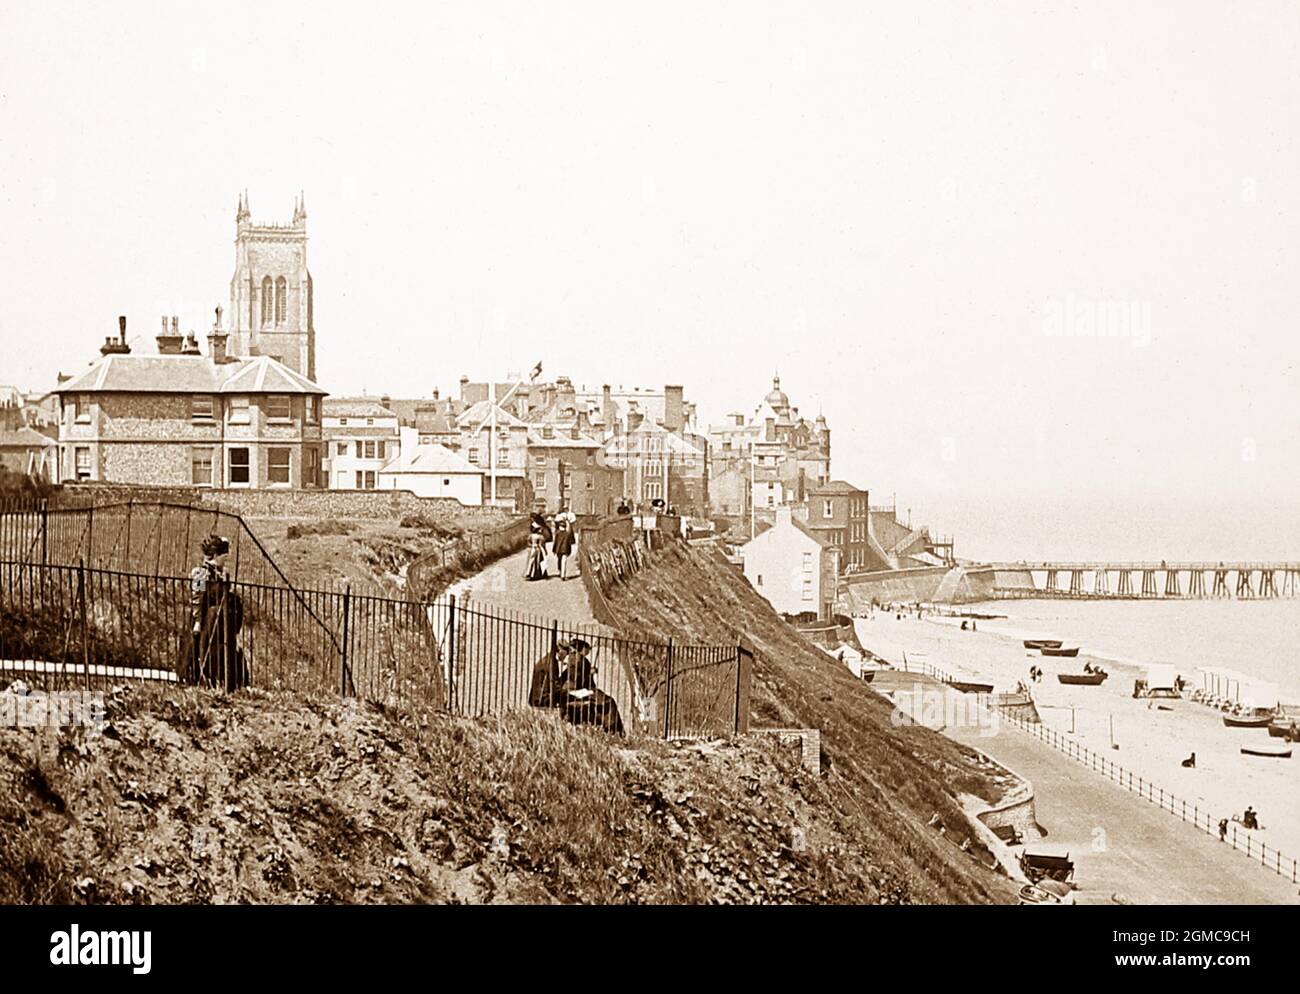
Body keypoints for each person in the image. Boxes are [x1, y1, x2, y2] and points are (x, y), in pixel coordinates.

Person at [180, 534, 248, 691]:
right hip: (206, 620)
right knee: (201, 650)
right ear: (215, 555)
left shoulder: (220, 574)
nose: (225, 560)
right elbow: (196, 598)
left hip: (219, 622)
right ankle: (199, 680)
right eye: (223, 557)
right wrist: (197, 622)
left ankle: (221, 682)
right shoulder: (200, 573)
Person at [528, 639, 569, 708]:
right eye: (566, 652)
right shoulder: (552, 663)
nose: (566, 656)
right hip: (542, 698)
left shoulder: (549, 658)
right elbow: (555, 686)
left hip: (537, 697)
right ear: (560, 650)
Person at [525, 515, 548, 581]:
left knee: (531, 561)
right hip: (538, 549)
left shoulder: (531, 536)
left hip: (532, 548)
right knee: (539, 561)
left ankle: (529, 573)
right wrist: (544, 550)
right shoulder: (541, 536)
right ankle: (537, 574)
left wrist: (530, 546)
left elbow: (528, 542)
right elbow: (543, 544)